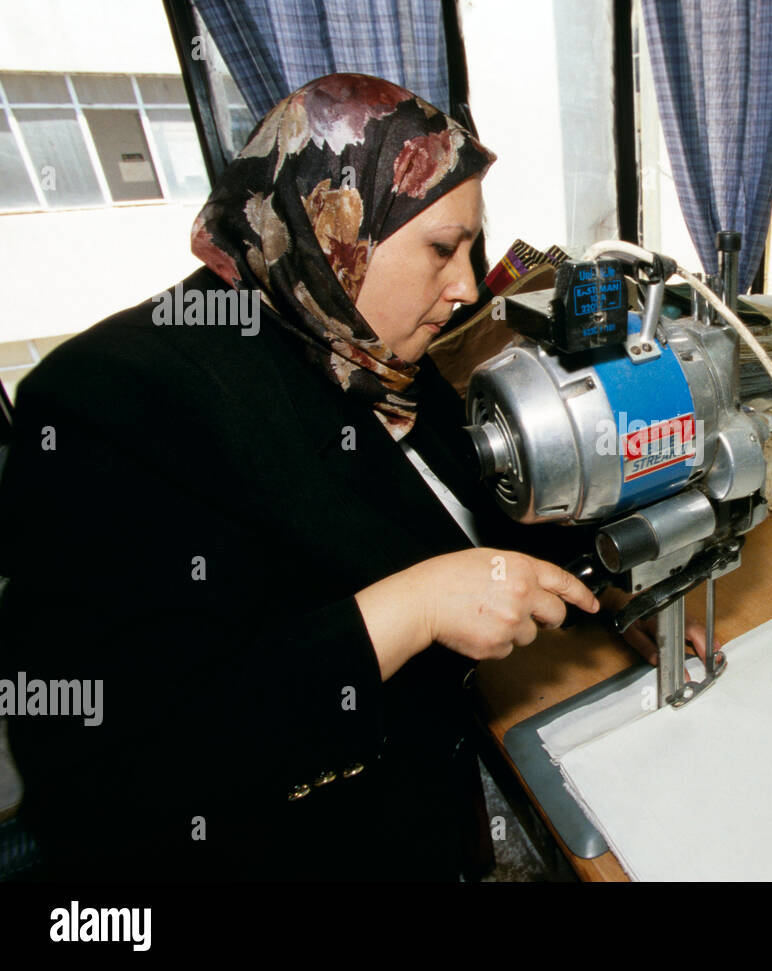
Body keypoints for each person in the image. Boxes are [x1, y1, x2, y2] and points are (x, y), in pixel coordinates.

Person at [0, 74, 714, 882]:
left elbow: (477, 505)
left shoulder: (362, 345)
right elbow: (106, 766)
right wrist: (406, 609)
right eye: (443, 249)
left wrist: (612, 592)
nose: (468, 285)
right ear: (333, 226)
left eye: (472, 247)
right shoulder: (114, 400)